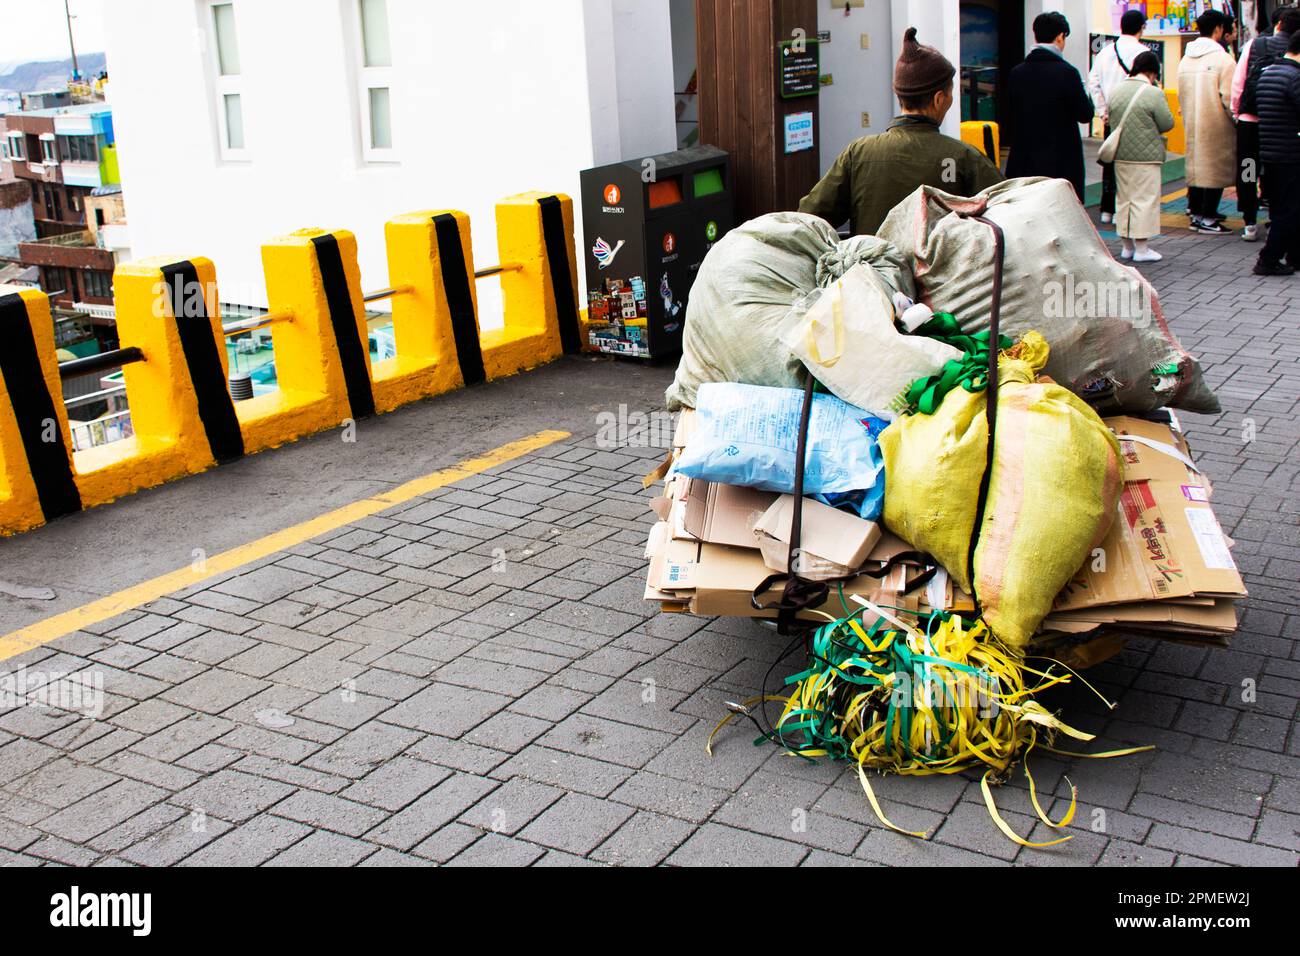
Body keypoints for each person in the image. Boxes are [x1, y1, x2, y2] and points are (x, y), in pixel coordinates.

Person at [798, 27, 1004, 236]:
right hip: (940, 270)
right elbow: (1007, 214)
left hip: (870, 268)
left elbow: (809, 218)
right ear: (939, 99)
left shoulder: (857, 153)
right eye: (951, 94)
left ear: (899, 96)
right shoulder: (963, 157)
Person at [1005, 11, 1095, 199]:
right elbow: (1085, 114)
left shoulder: (1017, 73)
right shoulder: (1068, 73)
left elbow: (1010, 112)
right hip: (1060, 163)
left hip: (1024, 161)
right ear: (1060, 36)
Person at [1233, 6, 1300, 241]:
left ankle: (1250, 222)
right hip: (1280, 124)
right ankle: (1274, 219)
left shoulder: (1256, 45)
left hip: (1249, 122)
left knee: (1249, 169)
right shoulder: (1294, 52)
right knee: (1274, 172)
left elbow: (1239, 82)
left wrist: (1237, 112)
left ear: (1278, 25)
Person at [1107, 50, 1176, 262]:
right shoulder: (1153, 92)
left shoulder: (1116, 90)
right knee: (1144, 201)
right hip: (1145, 157)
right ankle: (1142, 249)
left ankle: (1126, 247)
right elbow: (1167, 123)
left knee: (1125, 200)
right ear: (1152, 72)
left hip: (1121, 155)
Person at [1178, 10, 1238, 235]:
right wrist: (1236, 121)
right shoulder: (1223, 59)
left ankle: (1195, 213)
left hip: (1192, 121)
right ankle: (1208, 218)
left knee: (1196, 167)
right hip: (1217, 124)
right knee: (1215, 170)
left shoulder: (1186, 58)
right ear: (1218, 29)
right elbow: (1230, 99)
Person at [1088, 9, 1149, 224]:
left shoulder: (1105, 52)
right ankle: (1124, 210)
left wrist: (1102, 111)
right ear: (1141, 27)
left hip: (1111, 118)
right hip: (1135, 118)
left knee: (1110, 162)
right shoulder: (1143, 53)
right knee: (1131, 166)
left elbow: (1093, 82)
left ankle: (1107, 209)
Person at [1252, 30, 1300, 275]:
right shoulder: (1295, 77)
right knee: (1288, 210)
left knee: (1283, 207)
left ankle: (1294, 255)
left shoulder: (1268, 72)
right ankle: (1268, 259)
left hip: (1269, 153)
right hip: (1290, 153)